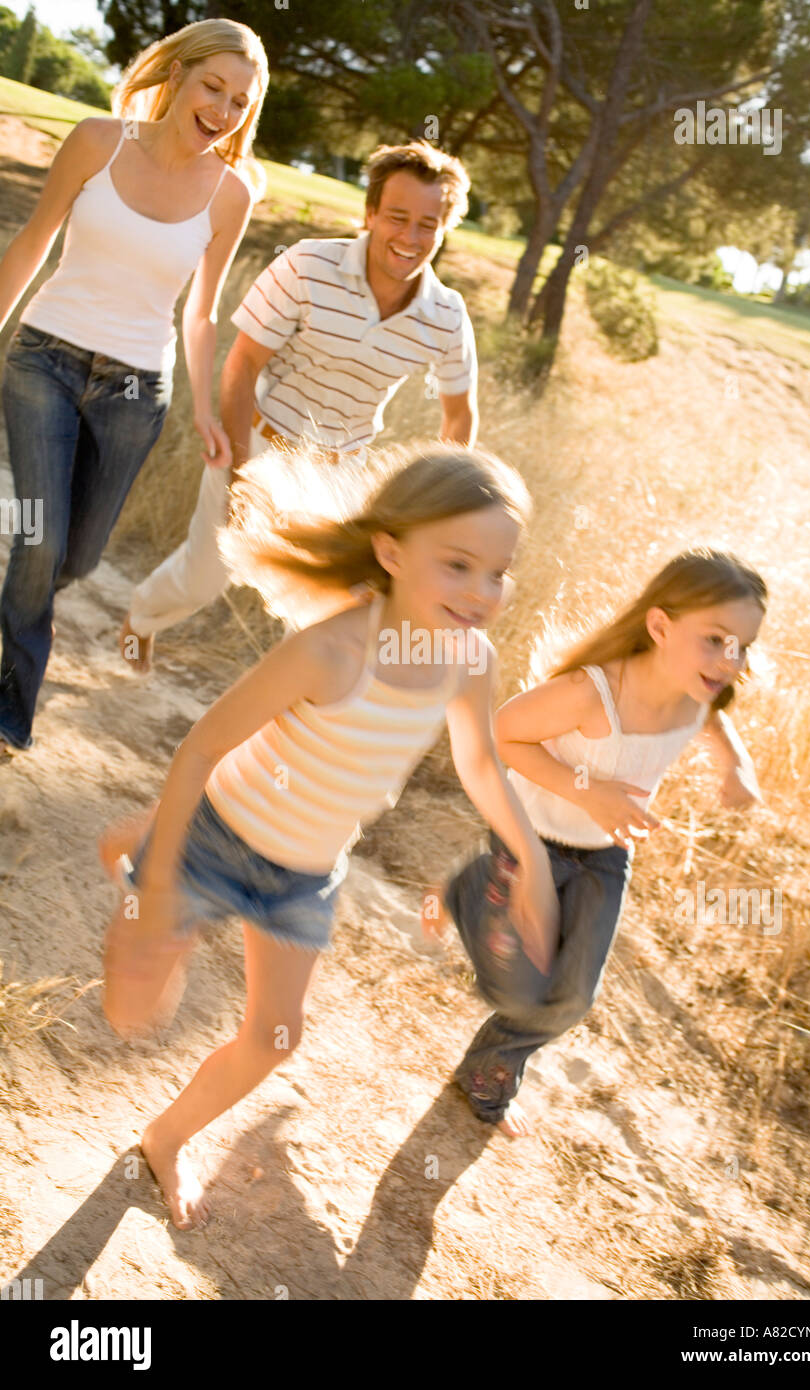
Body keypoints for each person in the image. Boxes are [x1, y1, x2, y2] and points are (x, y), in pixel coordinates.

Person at [99, 443, 558, 1228]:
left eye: (498, 572)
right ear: (391, 551)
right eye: (457, 565)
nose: (482, 592)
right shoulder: (331, 650)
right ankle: (150, 848)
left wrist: (533, 858)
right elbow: (201, 748)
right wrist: (166, 878)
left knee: (275, 1037)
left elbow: (481, 763)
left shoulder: (467, 660)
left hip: (306, 871)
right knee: (130, 1008)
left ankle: (164, 1138)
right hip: (220, 834)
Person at [427, 549, 766, 1137]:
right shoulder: (594, 693)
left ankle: (488, 1073)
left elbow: (714, 718)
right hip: (527, 841)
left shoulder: (700, 690)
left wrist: (733, 764)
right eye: (714, 638)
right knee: (521, 986)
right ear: (659, 626)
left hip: (605, 856)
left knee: (571, 997)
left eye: (742, 646)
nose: (729, 659)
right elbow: (501, 735)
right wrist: (586, 789)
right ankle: (470, 889)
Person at [0, 18, 269, 753]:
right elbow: (33, 241)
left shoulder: (230, 195)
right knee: (39, 538)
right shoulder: (97, 140)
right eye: (212, 86)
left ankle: (17, 604)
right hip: (43, 361)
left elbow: (203, 313)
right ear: (177, 75)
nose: (222, 109)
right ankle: (9, 710)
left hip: (133, 392)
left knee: (75, 558)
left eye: (239, 101)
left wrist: (208, 411)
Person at [121, 139, 479, 673]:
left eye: (427, 224)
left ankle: (292, 720)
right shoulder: (309, 263)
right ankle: (139, 623)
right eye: (397, 217)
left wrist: (435, 510)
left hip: (344, 474)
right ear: (370, 213)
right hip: (259, 444)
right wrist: (242, 472)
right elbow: (242, 365)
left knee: (324, 608)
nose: (410, 237)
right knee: (206, 576)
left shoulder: (447, 316)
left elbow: (461, 416)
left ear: (444, 229)